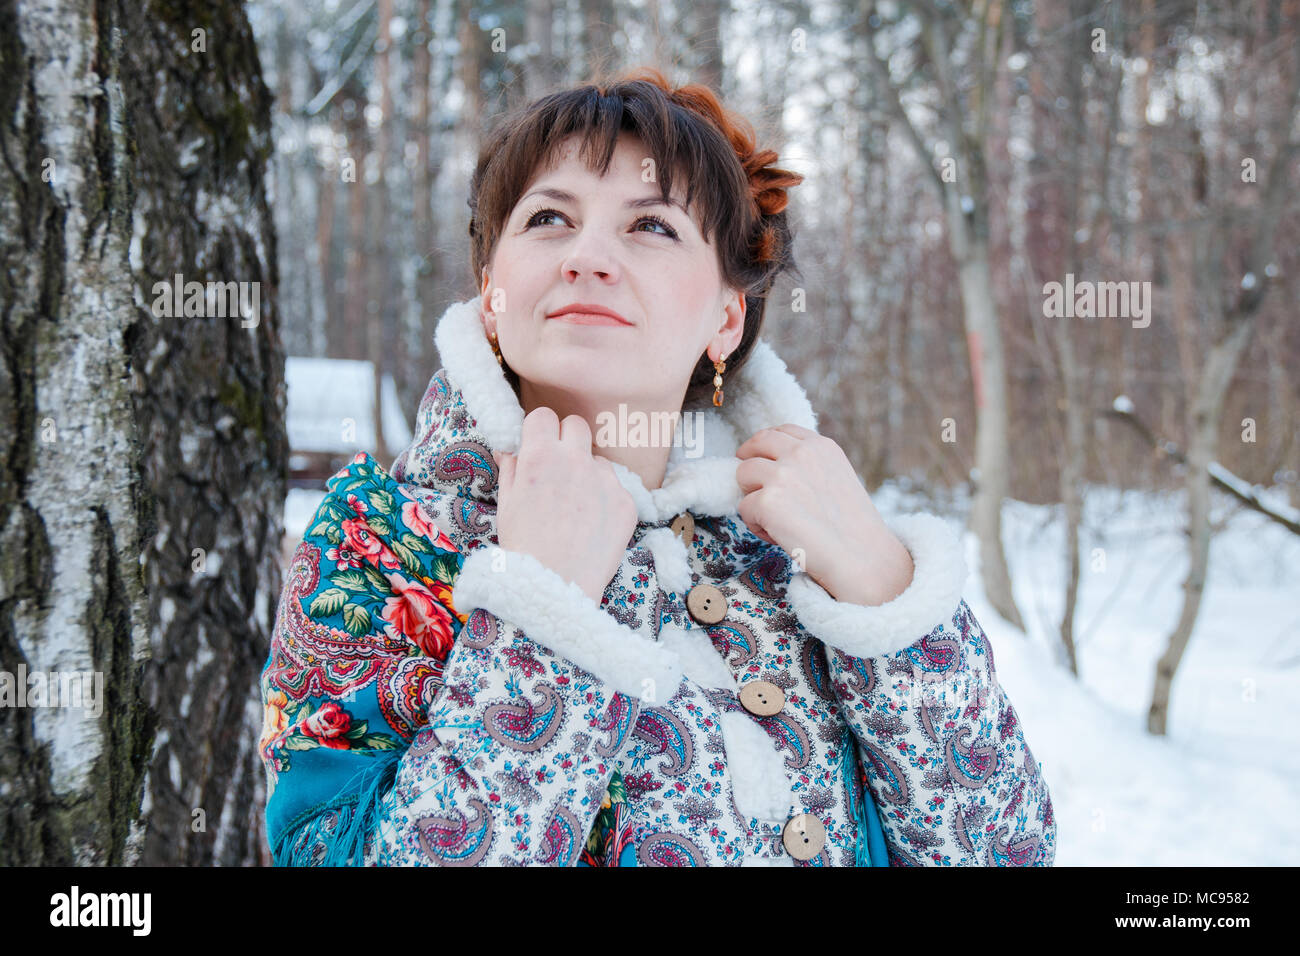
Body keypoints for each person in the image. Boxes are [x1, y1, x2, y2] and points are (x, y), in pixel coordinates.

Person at [258, 66, 1056, 866]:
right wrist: (544, 615)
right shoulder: (378, 546)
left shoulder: (791, 548)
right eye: (548, 218)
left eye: (651, 227)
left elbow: (1007, 857)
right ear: (490, 291)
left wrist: (886, 592)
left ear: (725, 318)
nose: (588, 257)